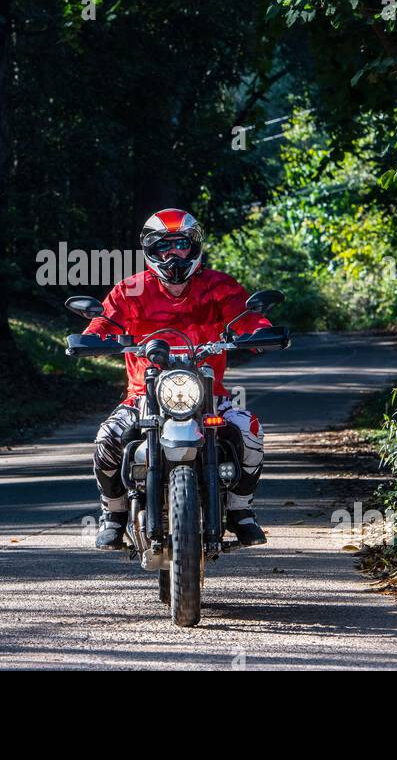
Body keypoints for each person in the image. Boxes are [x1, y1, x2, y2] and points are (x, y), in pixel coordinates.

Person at [83, 208, 272, 551]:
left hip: (209, 395)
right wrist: (92, 339)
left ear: (195, 246)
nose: (174, 254)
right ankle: (113, 514)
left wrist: (260, 332)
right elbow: (104, 325)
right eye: (164, 246)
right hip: (142, 396)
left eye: (182, 245)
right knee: (106, 438)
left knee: (250, 430)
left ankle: (242, 512)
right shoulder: (130, 289)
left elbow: (246, 316)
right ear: (150, 251)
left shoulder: (218, 285)